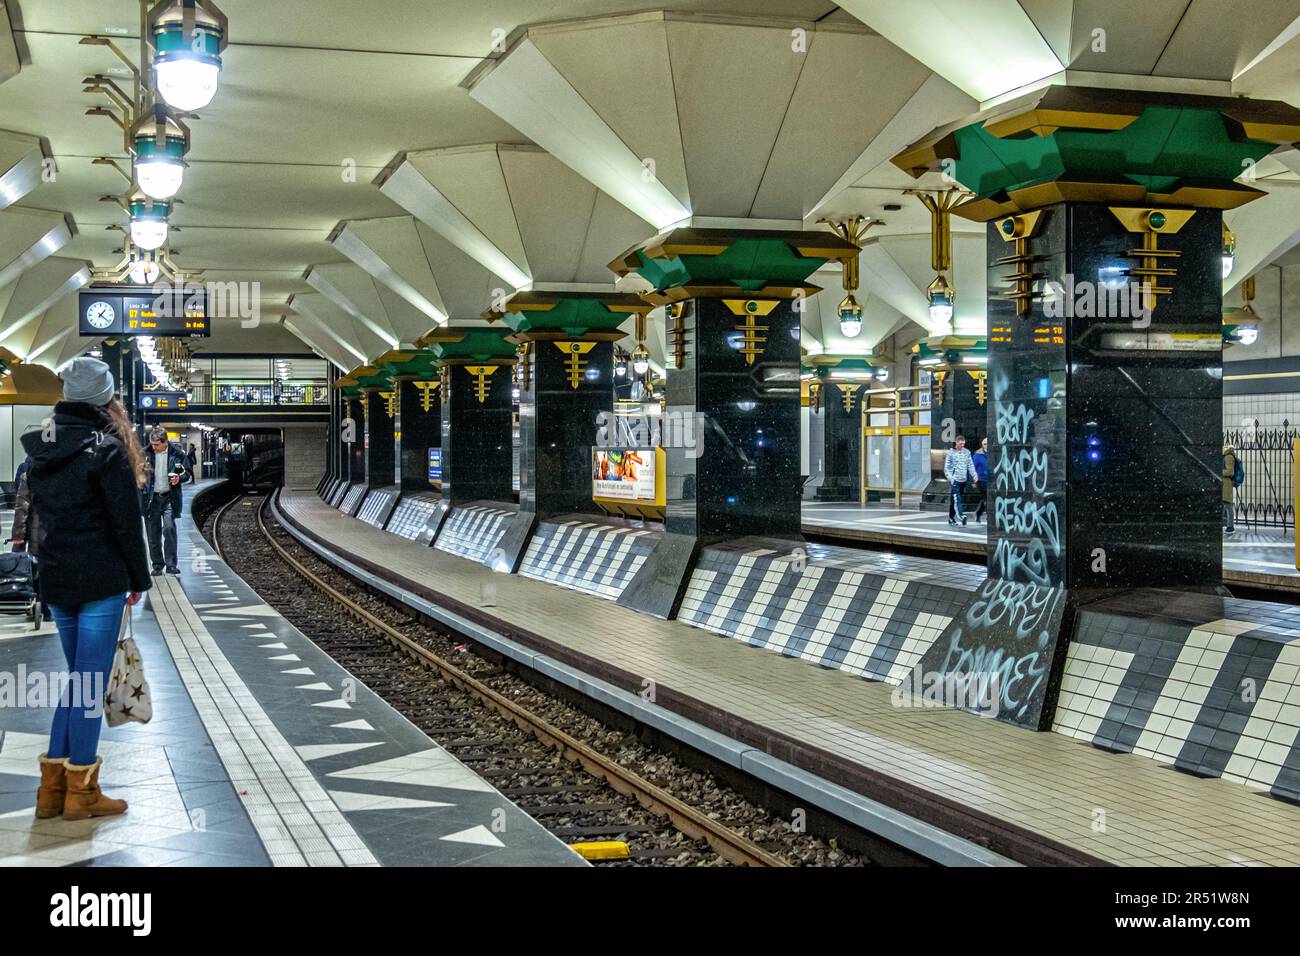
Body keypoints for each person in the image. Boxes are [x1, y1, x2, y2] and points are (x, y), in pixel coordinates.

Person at [23, 357, 151, 821]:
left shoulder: (40, 447)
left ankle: (51, 792)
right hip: (100, 580)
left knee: (78, 680)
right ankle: (82, 791)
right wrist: (139, 579)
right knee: (88, 685)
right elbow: (125, 523)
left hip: (57, 580)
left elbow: (38, 519)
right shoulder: (108, 448)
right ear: (104, 396)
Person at [143, 427, 192, 576]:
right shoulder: (145, 454)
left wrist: (180, 478)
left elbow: (187, 473)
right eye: (152, 444)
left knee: (169, 529)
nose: (154, 447)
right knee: (153, 533)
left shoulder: (177, 454)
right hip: (152, 498)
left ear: (165, 443)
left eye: (157, 444)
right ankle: (157, 565)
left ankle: (171, 564)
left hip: (170, 497)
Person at [944, 435, 979, 527]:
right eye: (960, 444)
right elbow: (946, 468)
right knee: (957, 499)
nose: (962, 445)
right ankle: (961, 516)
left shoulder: (967, 452)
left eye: (963, 444)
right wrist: (951, 479)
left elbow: (970, 465)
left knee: (954, 500)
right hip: (955, 481)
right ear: (956, 443)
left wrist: (974, 474)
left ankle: (951, 518)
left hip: (963, 480)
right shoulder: (950, 453)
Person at [1223, 444, 1244, 535]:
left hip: (1226, 484)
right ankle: (1227, 525)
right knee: (1226, 505)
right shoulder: (1226, 456)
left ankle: (1230, 527)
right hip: (1224, 484)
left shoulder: (1228, 457)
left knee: (1228, 505)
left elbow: (1230, 471)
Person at [971, 437, 990, 524]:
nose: (986, 445)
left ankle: (979, 514)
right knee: (986, 497)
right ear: (982, 445)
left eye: (987, 443)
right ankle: (981, 514)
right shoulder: (977, 455)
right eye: (984, 444)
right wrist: (973, 481)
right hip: (981, 479)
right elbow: (972, 468)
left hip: (991, 479)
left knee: (987, 498)